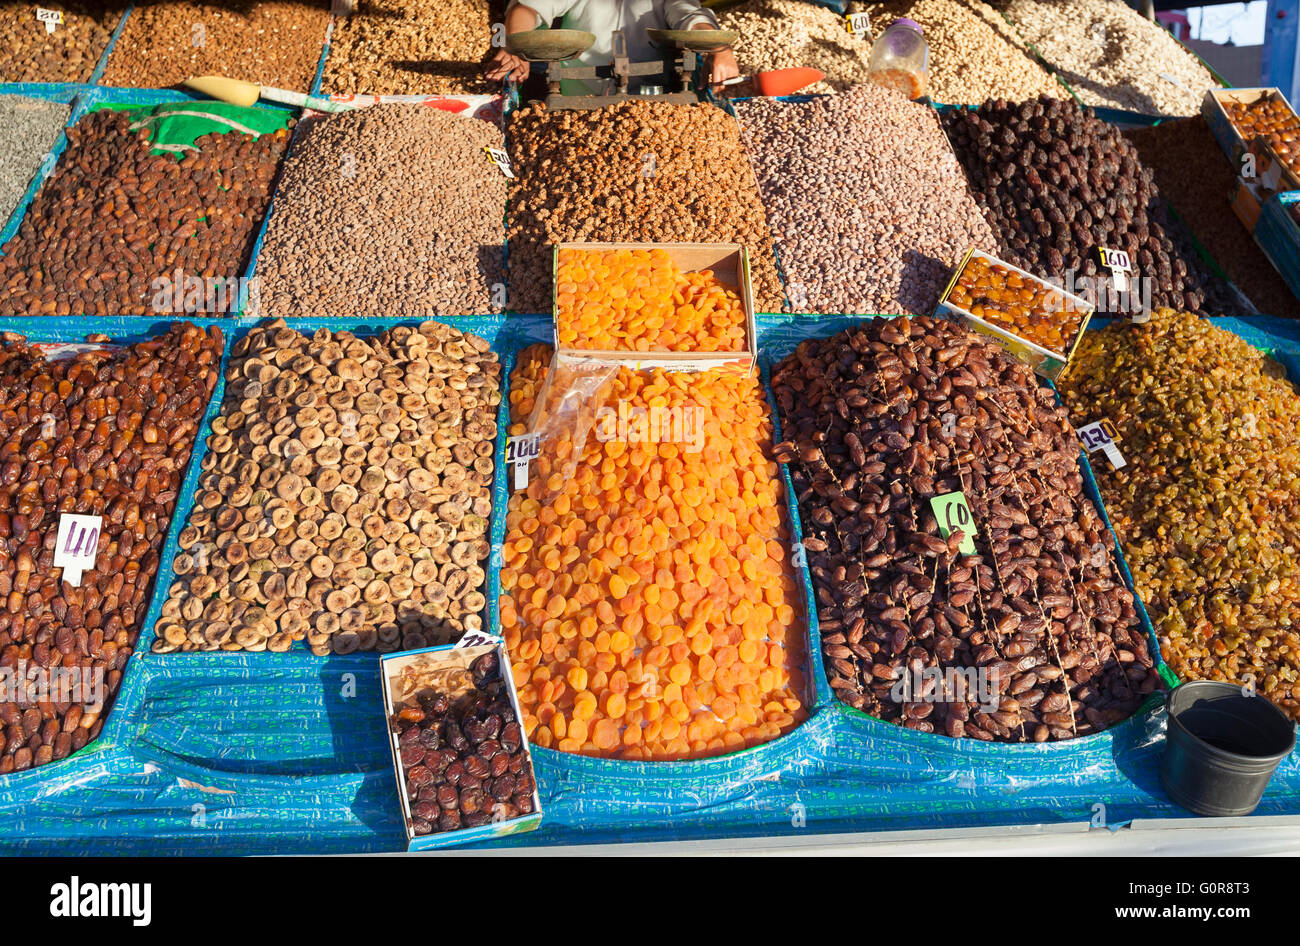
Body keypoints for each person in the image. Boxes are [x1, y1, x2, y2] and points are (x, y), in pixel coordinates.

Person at [485, 0, 739, 93]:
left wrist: (720, 49)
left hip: (652, 100)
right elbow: (528, 7)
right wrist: (514, 43)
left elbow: (690, 16)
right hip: (577, 93)